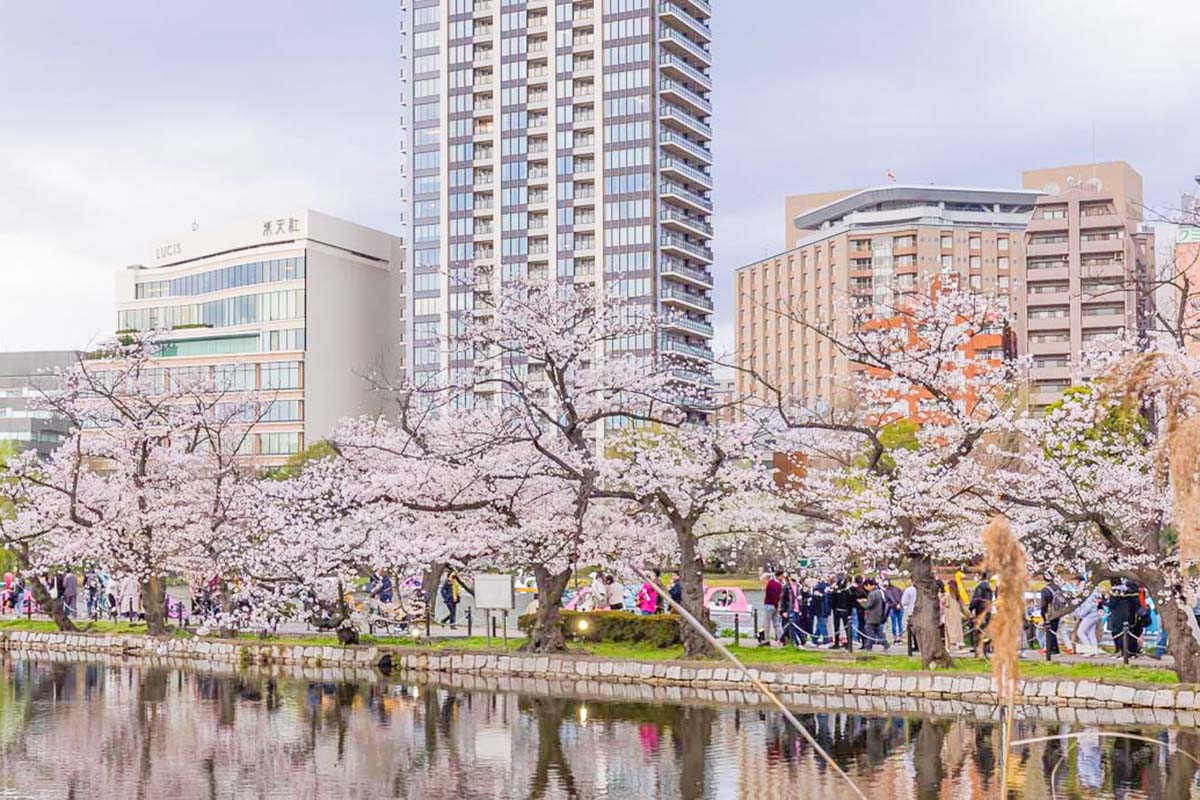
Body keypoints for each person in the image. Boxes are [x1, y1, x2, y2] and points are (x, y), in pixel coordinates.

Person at [1040, 574, 1066, 656]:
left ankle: (1054, 650)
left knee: (1050, 631)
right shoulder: (1058, 588)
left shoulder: (1045, 590)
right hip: (1059, 612)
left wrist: (1043, 614)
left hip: (1050, 612)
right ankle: (1052, 649)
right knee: (1053, 630)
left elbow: (1043, 605)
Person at [969, 572, 994, 658]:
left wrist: (971, 607)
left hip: (980, 612)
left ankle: (979, 652)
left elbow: (976, 599)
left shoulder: (980, 587)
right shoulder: (989, 587)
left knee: (978, 632)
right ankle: (985, 651)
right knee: (985, 632)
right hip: (987, 611)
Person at [1073, 583, 1102, 656]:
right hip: (1094, 615)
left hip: (1089, 616)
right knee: (1091, 633)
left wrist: (1079, 614)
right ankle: (1095, 650)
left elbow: (1087, 608)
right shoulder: (1093, 595)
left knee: (1080, 632)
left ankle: (1089, 650)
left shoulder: (1088, 596)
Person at [861, 578, 889, 651]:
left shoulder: (871, 594)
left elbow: (869, 605)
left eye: (865, 587)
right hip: (878, 615)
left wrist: (862, 603)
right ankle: (885, 644)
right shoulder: (879, 592)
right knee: (879, 632)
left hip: (871, 616)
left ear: (868, 585)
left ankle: (868, 647)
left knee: (870, 632)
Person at [830, 575, 855, 649]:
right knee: (843, 627)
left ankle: (839, 643)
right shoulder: (847, 591)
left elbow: (833, 601)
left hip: (839, 610)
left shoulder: (840, 591)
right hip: (843, 610)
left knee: (840, 627)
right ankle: (845, 643)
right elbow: (850, 602)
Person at [762, 570, 784, 645]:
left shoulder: (771, 583)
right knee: (776, 623)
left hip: (769, 605)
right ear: (778, 576)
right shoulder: (778, 585)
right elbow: (776, 596)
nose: (783, 578)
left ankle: (766, 639)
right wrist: (777, 605)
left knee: (767, 623)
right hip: (775, 605)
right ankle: (781, 639)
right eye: (782, 576)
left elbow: (772, 595)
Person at [810, 574, 830, 645]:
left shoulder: (820, 589)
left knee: (822, 625)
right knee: (819, 625)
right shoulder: (826, 589)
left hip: (821, 609)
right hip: (822, 609)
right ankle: (814, 640)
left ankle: (826, 641)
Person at [883, 577, 904, 644]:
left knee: (894, 623)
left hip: (893, 607)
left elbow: (887, 601)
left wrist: (895, 605)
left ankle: (895, 638)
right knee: (900, 623)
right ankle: (900, 638)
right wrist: (899, 604)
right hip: (899, 607)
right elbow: (902, 596)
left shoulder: (887, 591)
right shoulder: (897, 589)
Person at [901, 581, 918, 653]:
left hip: (913, 612)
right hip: (924, 613)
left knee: (914, 630)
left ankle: (916, 645)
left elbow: (904, 602)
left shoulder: (909, 590)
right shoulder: (926, 590)